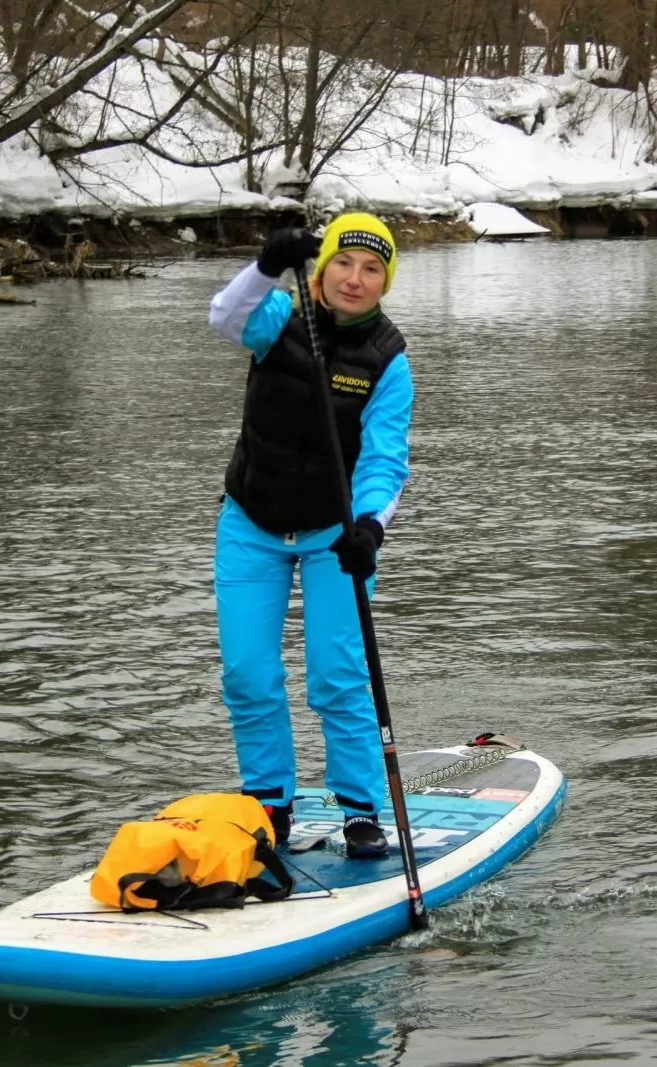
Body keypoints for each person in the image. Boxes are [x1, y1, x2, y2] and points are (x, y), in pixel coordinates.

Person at [205, 213, 412, 860]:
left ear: (385, 282)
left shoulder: (389, 360)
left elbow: (384, 459)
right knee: (248, 671)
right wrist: (267, 264)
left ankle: (359, 810)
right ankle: (268, 803)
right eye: (344, 263)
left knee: (336, 674)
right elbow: (223, 317)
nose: (355, 279)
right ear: (320, 270)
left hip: (334, 533)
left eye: (372, 269)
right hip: (251, 521)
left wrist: (371, 527)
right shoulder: (278, 316)